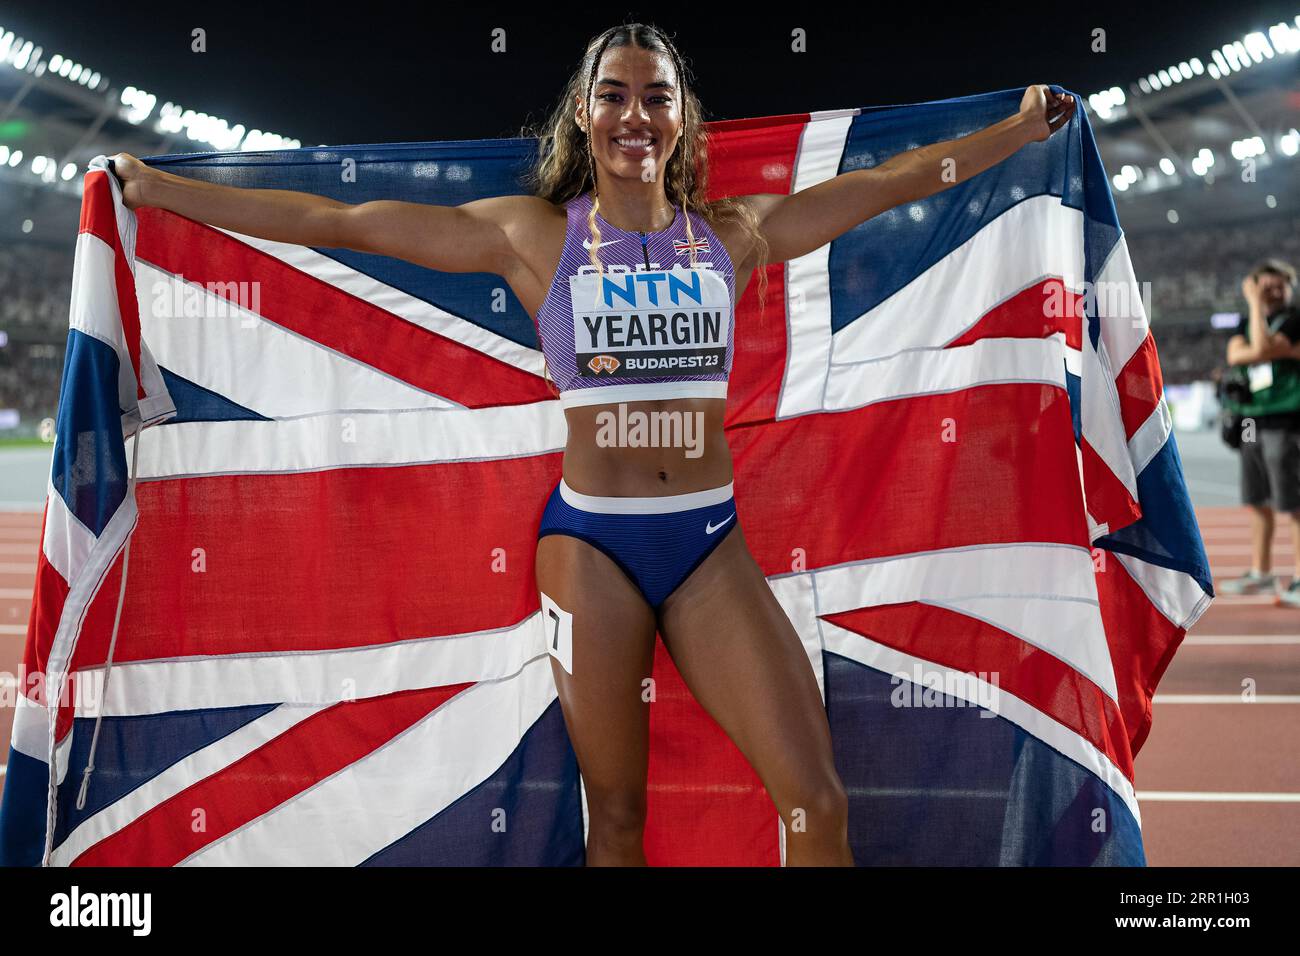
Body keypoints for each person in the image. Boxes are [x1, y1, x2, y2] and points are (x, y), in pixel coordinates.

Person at [108, 22, 1075, 866]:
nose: (634, 115)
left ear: (682, 119)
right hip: (591, 550)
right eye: (614, 95)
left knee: (814, 801)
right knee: (614, 817)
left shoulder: (733, 236)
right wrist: (159, 189)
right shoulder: (534, 236)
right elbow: (341, 220)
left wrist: (1020, 130)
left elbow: (891, 182)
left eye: (657, 97)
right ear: (583, 112)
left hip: (709, 548)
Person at [1220, 259, 1300, 604]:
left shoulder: (1296, 320)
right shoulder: (1243, 322)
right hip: (1251, 421)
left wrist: (1254, 304)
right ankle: (1262, 573)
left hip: (1286, 419)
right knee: (1257, 500)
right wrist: (1256, 339)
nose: (1274, 292)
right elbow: (1236, 355)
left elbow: (1262, 350)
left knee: (1294, 502)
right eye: (1266, 286)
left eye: (1280, 285)